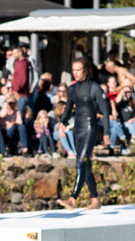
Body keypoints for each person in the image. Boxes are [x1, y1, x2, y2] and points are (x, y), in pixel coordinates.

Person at [56, 57, 110, 210]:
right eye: (73, 70)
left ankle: (73, 198)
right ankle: (95, 200)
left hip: (90, 128)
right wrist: (61, 123)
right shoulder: (72, 89)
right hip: (77, 129)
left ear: (86, 70)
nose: (75, 73)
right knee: (85, 165)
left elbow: (105, 111)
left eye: (78, 70)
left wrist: (106, 132)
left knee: (80, 161)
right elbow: (67, 110)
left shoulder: (94, 88)